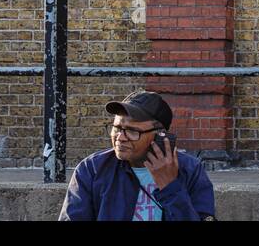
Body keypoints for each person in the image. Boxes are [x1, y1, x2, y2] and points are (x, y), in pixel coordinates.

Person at [58, 89, 216, 220]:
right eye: (117, 128)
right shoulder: (92, 169)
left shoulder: (190, 170)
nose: (120, 138)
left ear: (159, 136)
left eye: (133, 131)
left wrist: (170, 187)